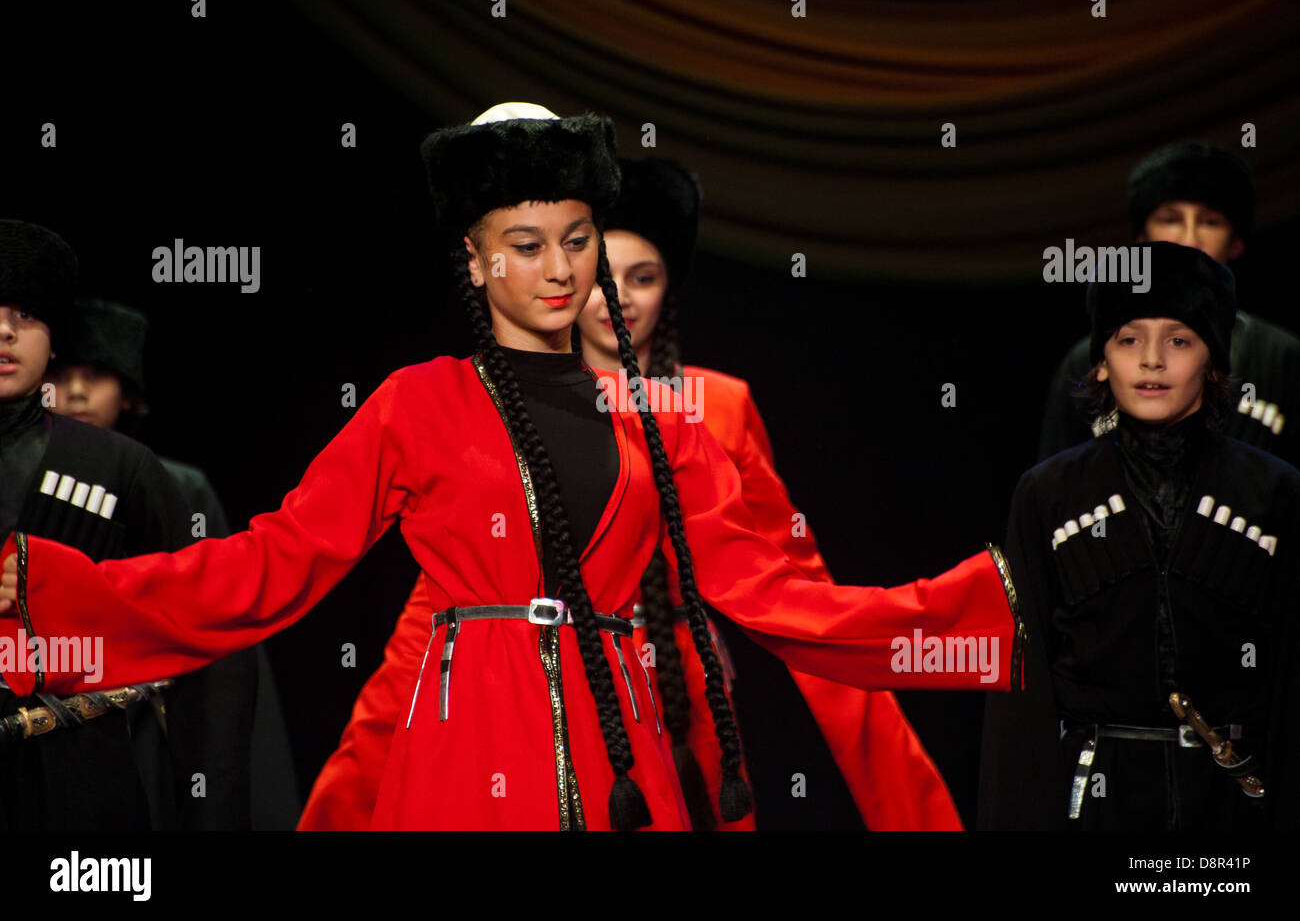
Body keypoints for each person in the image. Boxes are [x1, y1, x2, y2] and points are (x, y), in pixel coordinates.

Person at [0, 105, 1023, 831]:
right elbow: (271, 564)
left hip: (632, 763)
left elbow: (785, 601)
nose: (560, 267)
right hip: (464, 750)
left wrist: (982, 605)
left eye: (575, 239)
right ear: (477, 258)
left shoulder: (663, 426)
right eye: (524, 243)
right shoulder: (420, 403)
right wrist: (60, 597)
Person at [298, 157, 961, 831]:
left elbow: (794, 586)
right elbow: (425, 632)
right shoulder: (516, 408)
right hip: (551, 688)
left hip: (685, 694)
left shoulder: (716, 408)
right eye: (606, 277)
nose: (624, 298)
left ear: (668, 286)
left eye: (644, 277)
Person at [980, 241, 1299, 830]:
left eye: (1178, 340)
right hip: (1097, 804)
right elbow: (1020, 692)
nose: (1152, 360)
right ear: (1101, 360)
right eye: (1129, 339)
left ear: (1214, 359)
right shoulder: (1048, 495)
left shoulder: (1275, 494)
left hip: (1230, 808)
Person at [44, 297, 301, 830]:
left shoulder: (176, 487)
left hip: (141, 725)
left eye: (95, 375)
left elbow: (220, 624)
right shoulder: (22, 483)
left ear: (128, 393)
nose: (74, 392)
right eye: (60, 375)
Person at [0, 220, 187, 830]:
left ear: (55, 341)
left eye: (27, 314)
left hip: (80, 777)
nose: (5, 330)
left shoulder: (119, 466)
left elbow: (186, 613)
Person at [1037, 142, 1300, 467]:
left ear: (1236, 242)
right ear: (1141, 238)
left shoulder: (1282, 357)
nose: (1190, 238)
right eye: (1170, 219)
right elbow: (1055, 492)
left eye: (1210, 221)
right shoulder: (1088, 358)